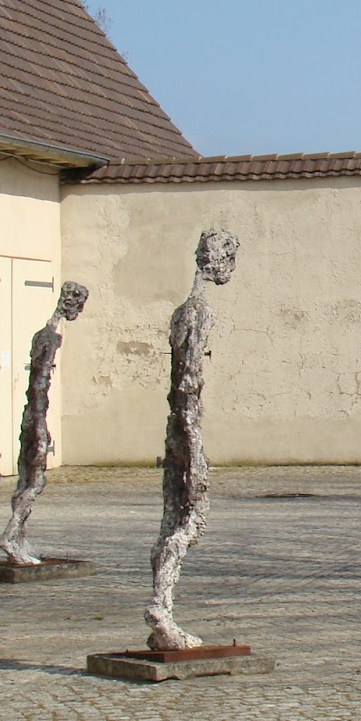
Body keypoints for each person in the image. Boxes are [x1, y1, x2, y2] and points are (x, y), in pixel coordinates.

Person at [146, 229, 238, 651]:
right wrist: (194, 441)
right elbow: (188, 381)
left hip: (173, 426)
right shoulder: (201, 313)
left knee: (169, 521)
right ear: (218, 262)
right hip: (187, 424)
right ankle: (161, 608)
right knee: (192, 522)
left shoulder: (180, 311)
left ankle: (162, 608)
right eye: (230, 259)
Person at [0, 282, 88, 566]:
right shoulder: (48, 338)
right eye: (78, 304)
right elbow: (38, 385)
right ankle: (11, 535)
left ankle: (19, 536)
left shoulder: (45, 334)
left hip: (32, 414)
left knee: (27, 478)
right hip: (35, 416)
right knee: (34, 481)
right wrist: (40, 425)